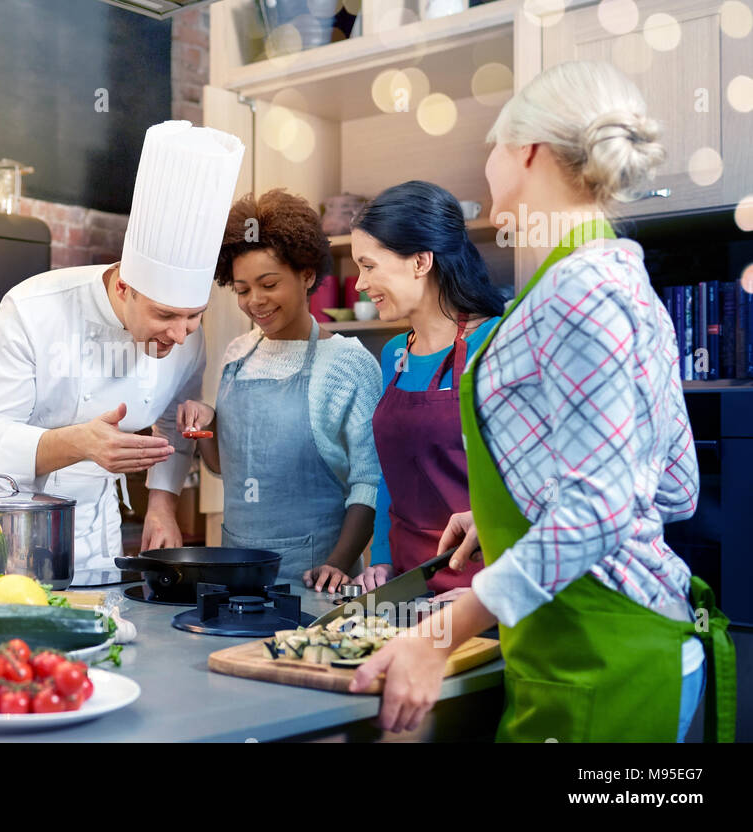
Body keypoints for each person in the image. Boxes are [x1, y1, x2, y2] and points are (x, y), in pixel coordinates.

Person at [352, 61, 735, 743]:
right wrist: (509, 515)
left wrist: (440, 634)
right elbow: (672, 487)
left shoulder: (579, 293)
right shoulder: (617, 277)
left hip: (601, 656)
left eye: (492, 149)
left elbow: (601, 508)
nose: (487, 171)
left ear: (525, 151)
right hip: (604, 643)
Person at [0, 120, 244, 585]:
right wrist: (80, 442)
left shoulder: (188, 333)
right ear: (124, 285)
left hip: (98, 533)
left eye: (194, 315)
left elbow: (175, 420)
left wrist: (162, 503)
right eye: (165, 315)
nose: (181, 334)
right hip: (7, 522)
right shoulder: (33, 308)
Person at [178, 189, 381, 584]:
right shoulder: (238, 354)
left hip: (315, 579)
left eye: (268, 284)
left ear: (306, 275)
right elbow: (225, 467)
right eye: (241, 289)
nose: (255, 301)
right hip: (235, 570)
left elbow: (369, 482)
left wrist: (338, 564)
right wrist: (203, 426)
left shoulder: (347, 364)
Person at [348, 181, 506, 601]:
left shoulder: (497, 343)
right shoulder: (395, 354)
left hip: (483, 586)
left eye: (369, 266)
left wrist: (488, 593)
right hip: (407, 583)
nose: (359, 284)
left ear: (420, 262)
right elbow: (388, 474)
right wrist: (380, 559)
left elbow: (526, 484)